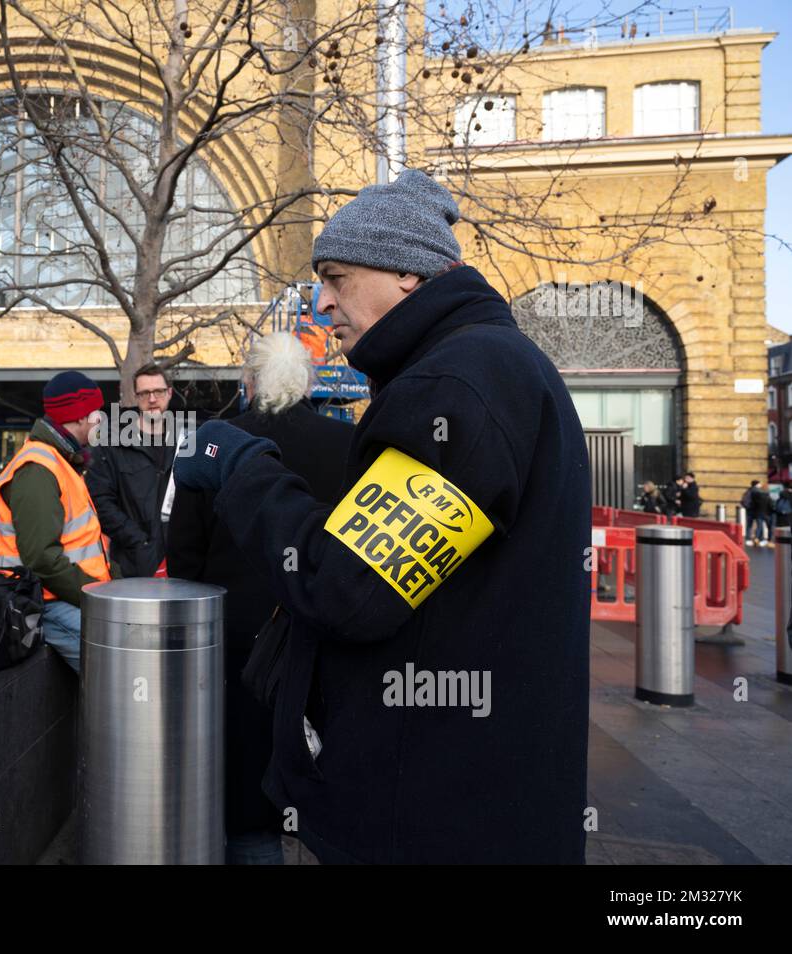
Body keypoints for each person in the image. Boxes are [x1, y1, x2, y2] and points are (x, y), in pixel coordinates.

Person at [174, 168, 590, 864]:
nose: (322, 302)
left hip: (435, 812)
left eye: (336, 277)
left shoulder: (456, 385)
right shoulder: (480, 368)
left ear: (407, 273)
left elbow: (349, 587)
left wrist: (242, 468)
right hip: (475, 796)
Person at [168, 332, 354, 865]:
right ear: (309, 384)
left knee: (246, 801)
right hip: (322, 640)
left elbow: (184, 556)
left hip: (235, 645)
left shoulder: (216, 443)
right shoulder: (345, 446)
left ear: (248, 382)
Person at [0, 371, 113, 674]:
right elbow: (41, 559)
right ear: (81, 416)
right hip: (45, 602)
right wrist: (97, 598)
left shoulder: (59, 460)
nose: (102, 420)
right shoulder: (39, 468)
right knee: (118, 664)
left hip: (63, 596)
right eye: (98, 412)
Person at [87, 363, 183, 577]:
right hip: (132, 563)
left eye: (158, 391)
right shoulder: (111, 443)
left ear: (169, 393)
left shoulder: (185, 442)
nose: (152, 399)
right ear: (135, 396)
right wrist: (139, 541)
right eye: (144, 393)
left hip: (178, 561)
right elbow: (100, 500)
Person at [743, 479, 772, 547]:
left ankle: (748, 539)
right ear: (757, 484)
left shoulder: (749, 490)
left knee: (749, 525)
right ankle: (759, 538)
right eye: (759, 484)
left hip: (750, 510)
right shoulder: (758, 491)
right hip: (756, 511)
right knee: (760, 525)